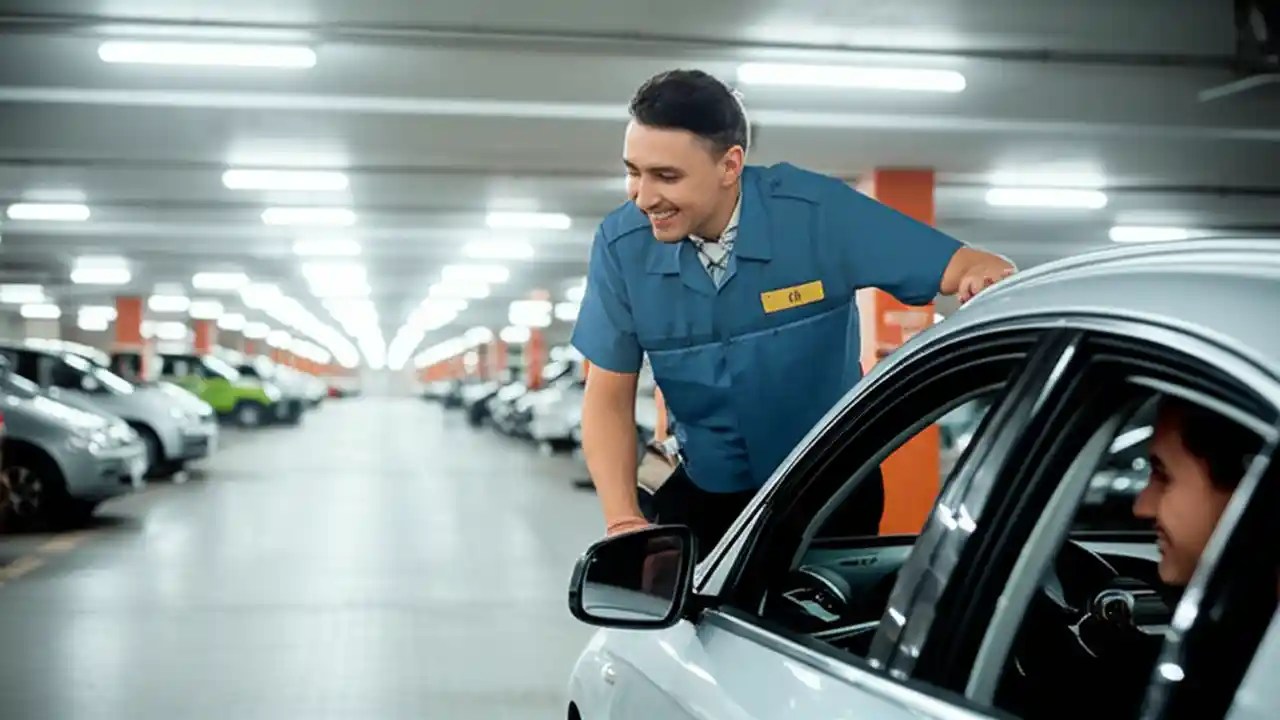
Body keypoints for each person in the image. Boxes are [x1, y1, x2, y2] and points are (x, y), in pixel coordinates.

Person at [571, 69, 1015, 554]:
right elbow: (608, 395)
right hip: (708, 492)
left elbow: (971, 265)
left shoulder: (818, 214)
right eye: (633, 171)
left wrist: (983, 279)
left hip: (830, 489)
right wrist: (622, 520)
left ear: (730, 165)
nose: (642, 196)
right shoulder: (621, 247)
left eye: (666, 176)